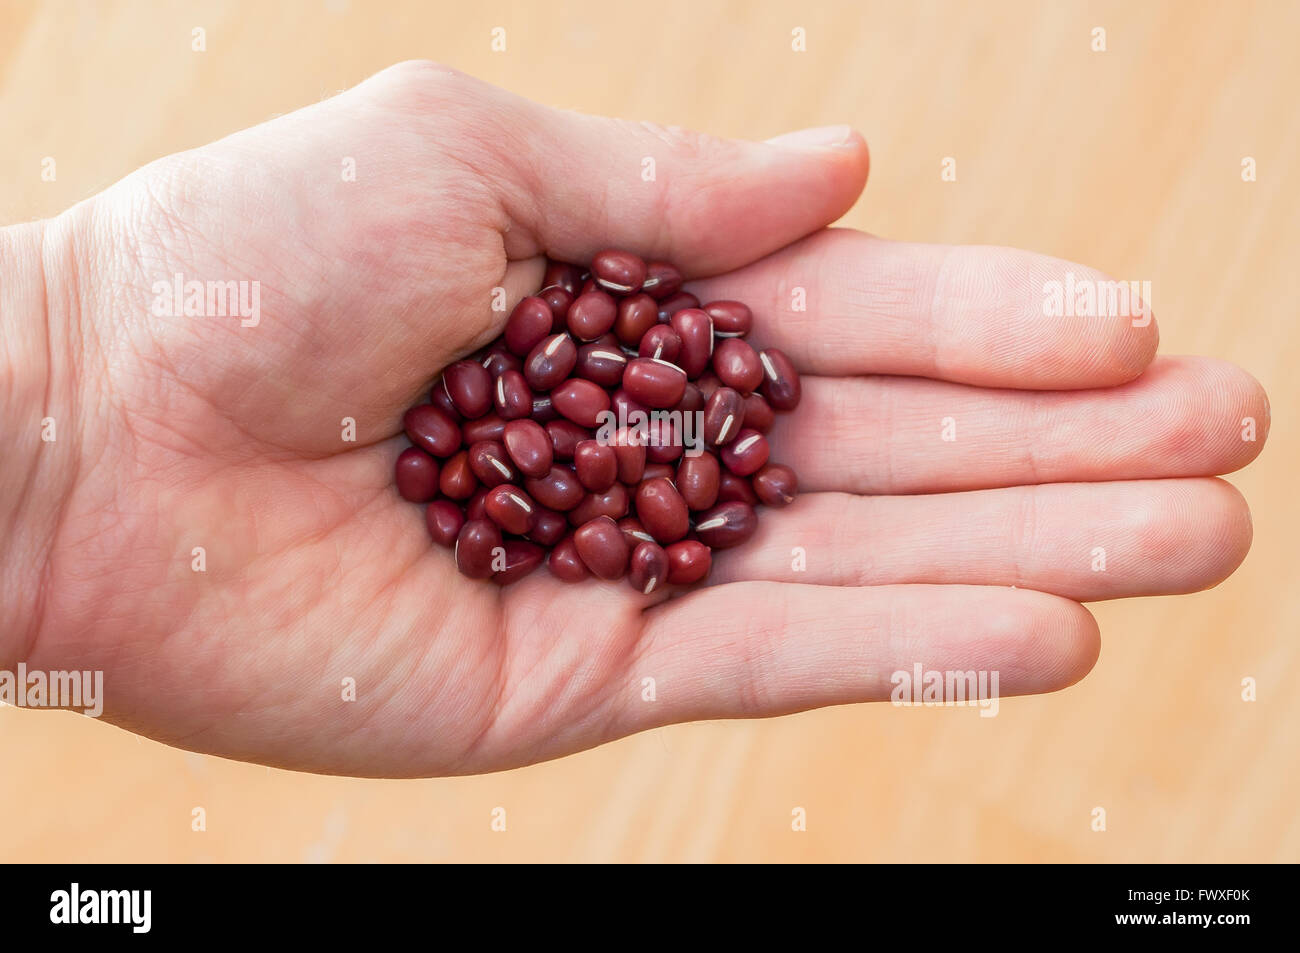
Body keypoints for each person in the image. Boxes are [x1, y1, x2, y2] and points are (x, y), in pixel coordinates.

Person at [0, 62, 1267, 777]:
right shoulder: (539, 425)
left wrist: (75, 363)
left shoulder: (614, 411)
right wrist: (73, 358)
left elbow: (602, 452)